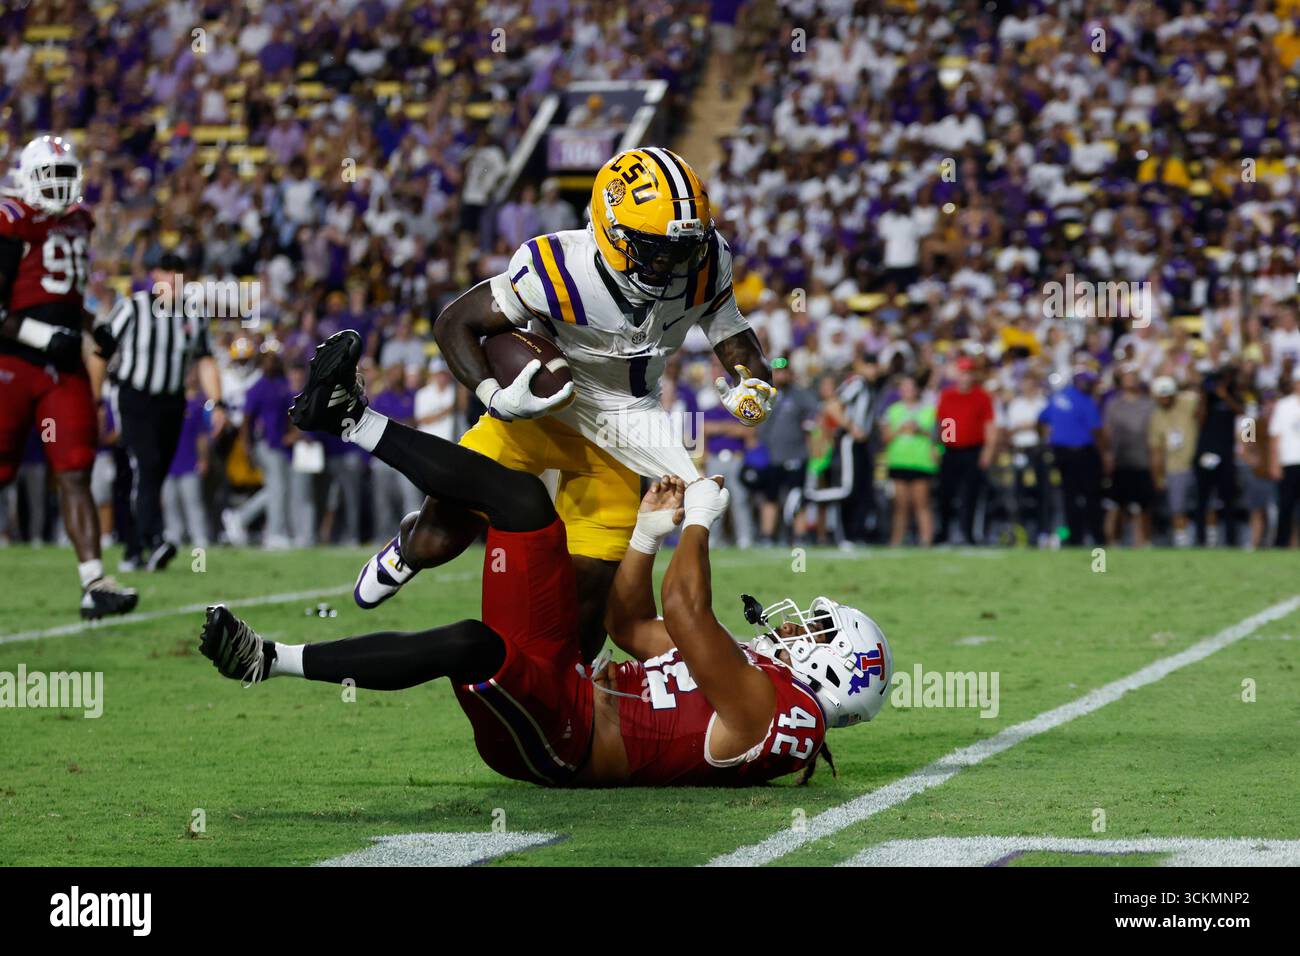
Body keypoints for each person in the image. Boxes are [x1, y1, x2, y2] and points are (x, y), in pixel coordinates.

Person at [199, 331, 894, 787]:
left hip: (564, 740)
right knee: (524, 503)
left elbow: (684, 610)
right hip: (568, 681)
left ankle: (270, 658)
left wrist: (701, 521)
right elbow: (633, 626)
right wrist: (649, 535)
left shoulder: (778, 710)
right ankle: (349, 415)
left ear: (834, 670)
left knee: (475, 645)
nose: (800, 627)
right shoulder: (762, 683)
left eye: (818, 635)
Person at [352, 147, 776, 662]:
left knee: (587, 597)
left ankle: (568, 703)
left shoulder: (706, 262)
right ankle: (407, 548)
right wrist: (494, 395)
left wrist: (750, 380)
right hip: (542, 409)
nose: (673, 263)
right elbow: (454, 322)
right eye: (658, 249)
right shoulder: (554, 266)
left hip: (625, 422)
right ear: (611, 231)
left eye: (683, 249)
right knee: (440, 538)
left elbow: (733, 336)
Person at [0, 135, 136, 618]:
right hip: (13, 361)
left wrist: (91, 326)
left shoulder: (79, 220)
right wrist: (41, 336)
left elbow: (66, 297)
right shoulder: (12, 221)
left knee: (75, 468)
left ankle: (93, 582)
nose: (59, 186)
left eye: (65, 176)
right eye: (49, 177)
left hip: (63, 364)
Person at [88, 254, 225, 571]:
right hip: (135, 398)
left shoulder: (193, 314)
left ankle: (134, 550)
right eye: (167, 273)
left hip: (172, 401)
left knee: (155, 473)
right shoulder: (133, 307)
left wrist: (216, 403)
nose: (173, 280)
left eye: (179, 273)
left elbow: (205, 360)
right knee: (147, 465)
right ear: (154, 276)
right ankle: (156, 539)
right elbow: (100, 352)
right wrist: (95, 400)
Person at [1039, 368, 1105, 547]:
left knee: (1071, 497)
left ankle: (1076, 537)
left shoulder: (1059, 397)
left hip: (1063, 453)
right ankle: (1094, 536)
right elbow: (1097, 430)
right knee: (1088, 497)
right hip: (1081, 453)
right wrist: (1105, 454)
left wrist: (1047, 438)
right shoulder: (1085, 401)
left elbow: (1042, 419)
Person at [934, 356, 995, 545]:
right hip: (952, 451)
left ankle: (968, 534)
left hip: (972, 451)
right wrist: (941, 446)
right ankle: (943, 532)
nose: (965, 377)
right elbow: (945, 423)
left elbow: (989, 425)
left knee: (970, 495)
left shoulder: (982, 396)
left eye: (968, 373)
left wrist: (988, 451)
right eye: (962, 372)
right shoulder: (948, 395)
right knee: (946, 494)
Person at [1101, 365, 1155, 546]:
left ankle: (1142, 542)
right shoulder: (1113, 404)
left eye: (1133, 376)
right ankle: (1112, 542)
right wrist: (1108, 456)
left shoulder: (1148, 404)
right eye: (1127, 376)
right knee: (1116, 505)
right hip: (1120, 460)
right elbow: (1107, 433)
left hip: (1142, 459)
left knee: (1143, 506)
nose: (1130, 380)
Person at [882, 374, 937, 546]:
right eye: (903, 388)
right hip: (899, 461)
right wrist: (900, 429)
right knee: (900, 506)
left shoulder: (930, 411)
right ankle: (896, 541)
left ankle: (926, 540)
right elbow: (885, 437)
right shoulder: (893, 410)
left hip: (921, 462)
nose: (907, 391)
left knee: (921, 504)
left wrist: (920, 430)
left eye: (910, 387)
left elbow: (944, 436)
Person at [1193, 363, 1244, 547]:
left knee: (1228, 499)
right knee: (1202, 500)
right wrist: (1204, 397)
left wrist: (1225, 396)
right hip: (1205, 452)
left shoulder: (1233, 396)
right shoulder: (1206, 399)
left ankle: (1231, 540)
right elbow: (1198, 420)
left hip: (1226, 453)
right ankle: (1201, 540)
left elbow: (1243, 414)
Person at [1148, 375, 1198, 547]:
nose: (1165, 399)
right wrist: (1158, 475)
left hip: (1196, 462)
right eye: (1161, 396)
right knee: (1178, 508)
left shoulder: (1186, 402)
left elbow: (1200, 395)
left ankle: (1208, 541)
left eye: (1168, 395)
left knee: (1207, 505)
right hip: (1174, 467)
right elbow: (1156, 449)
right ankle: (1181, 541)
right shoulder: (1156, 416)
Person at [1270, 365, 1300, 548]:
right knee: (1286, 506)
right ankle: (1281, 544)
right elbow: (1275, 436)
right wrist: (1275, 463)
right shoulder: (1283, 405)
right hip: (1288, 461)